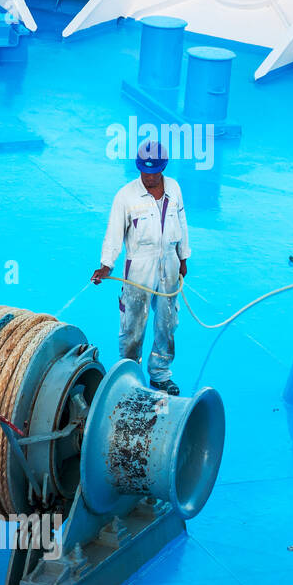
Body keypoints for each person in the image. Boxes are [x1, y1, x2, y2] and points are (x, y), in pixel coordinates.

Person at [91, 140, 190, 395]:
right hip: (139, 266)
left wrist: (183, 258)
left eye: (153, 172)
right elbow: (114, 233)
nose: (148, 177)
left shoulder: (175, 189)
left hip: (168, 263)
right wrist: (106, 265)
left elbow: (182, 223)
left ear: (162, 168)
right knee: (133, 323)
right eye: (144, 171)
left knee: (168, 322)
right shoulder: (126, 196)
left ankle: (160, 374)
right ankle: (130, 375)